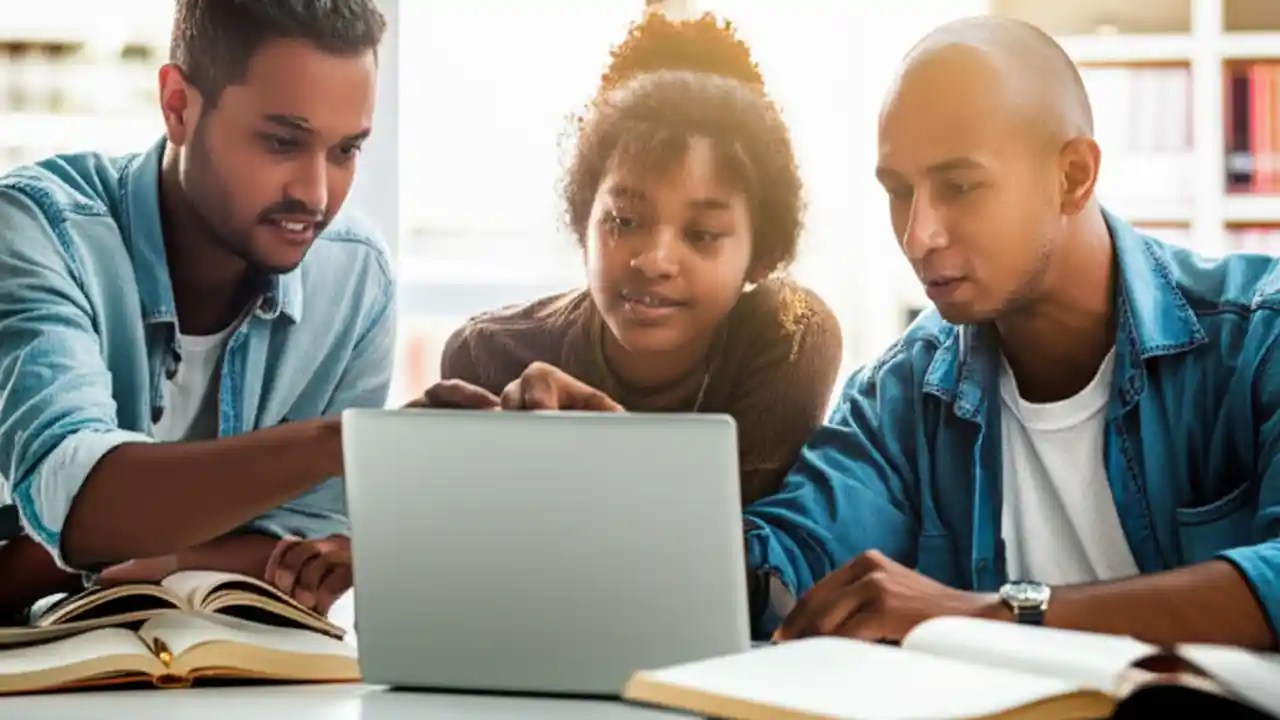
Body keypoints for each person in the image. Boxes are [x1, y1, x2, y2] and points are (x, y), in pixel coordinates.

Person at [744, 15, 1279, 651]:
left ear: (1073, 176)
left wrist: (992, 615)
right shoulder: (901, 396)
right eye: (898, 191)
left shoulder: (1257, 338)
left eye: (960, 186)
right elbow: (783, 563)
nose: (918, 236)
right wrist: (628, 466)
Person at [0, 0, 390, 619]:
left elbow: (303, 554)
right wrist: (344, 444)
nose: (315, 195)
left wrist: (150, 552)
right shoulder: (38, 229)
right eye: (282, 142)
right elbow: (77, 506)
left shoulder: (356, 278)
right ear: (179, 106)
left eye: (345, 152)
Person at [426, 12, 843, 507]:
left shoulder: (791, 334)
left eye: (702, 234)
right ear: (584, 219)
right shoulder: (486, 354)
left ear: (761, 255)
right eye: (623, 221)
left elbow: (736, 558)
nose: (655, 260)